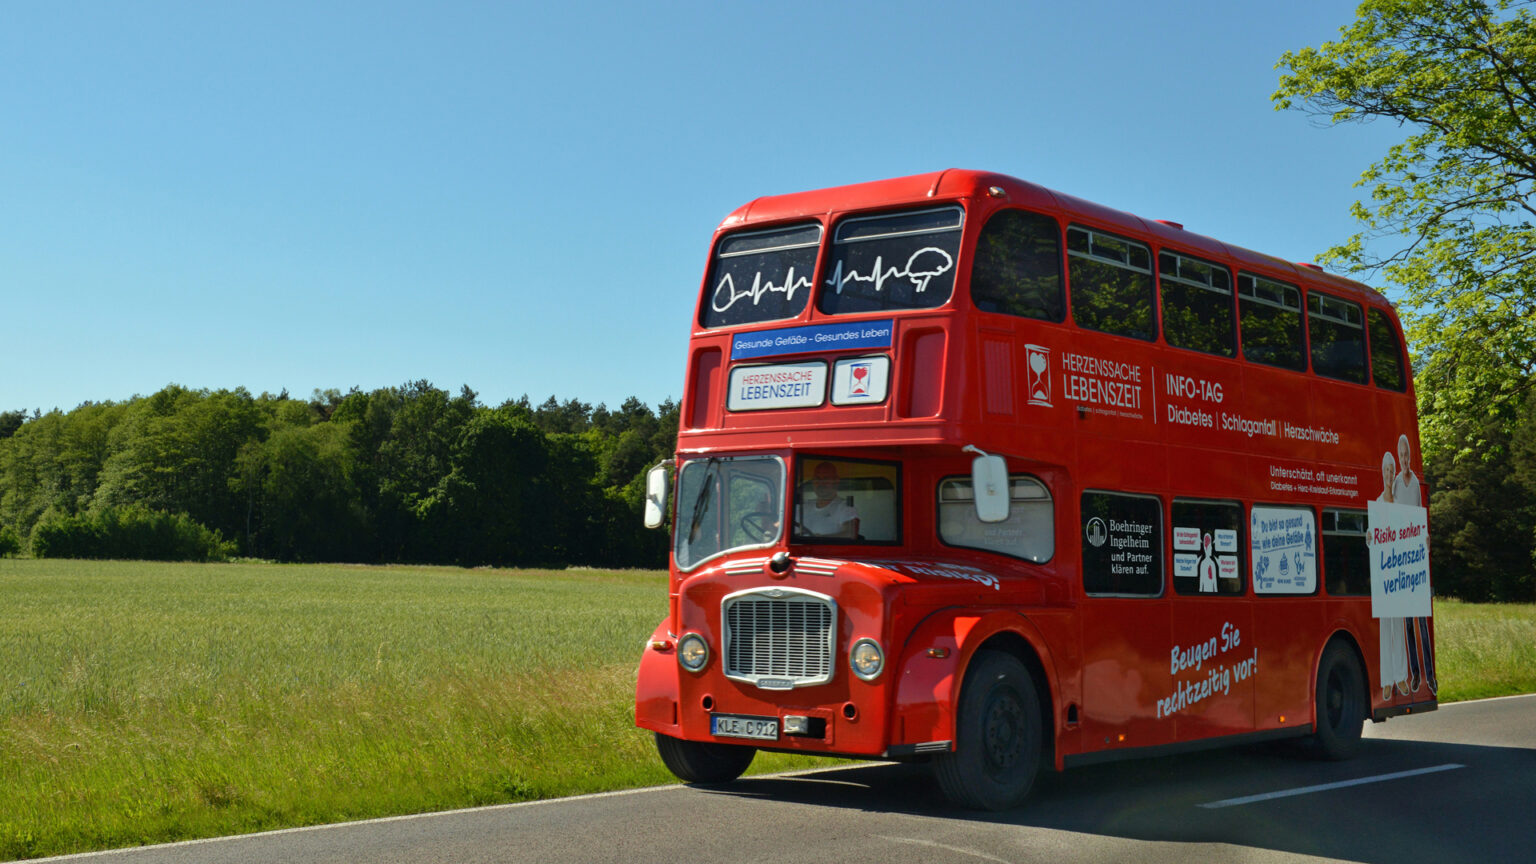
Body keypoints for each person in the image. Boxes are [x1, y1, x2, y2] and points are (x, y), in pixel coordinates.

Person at [800, 461, 859, 539]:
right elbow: (779, 527)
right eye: (818, 479)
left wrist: (819, 539)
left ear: (836, 481)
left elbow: (851, 534)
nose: (821, 483)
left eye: (826, 479)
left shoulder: (845, 507)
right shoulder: (803, 506)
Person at [1393, 433, 1422, 507]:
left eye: (1405, 455)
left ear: (1409, 456)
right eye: (1401, 455)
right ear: (1399, 458)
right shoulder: (1397, 482)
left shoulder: (1415, 482)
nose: (1404, 460)